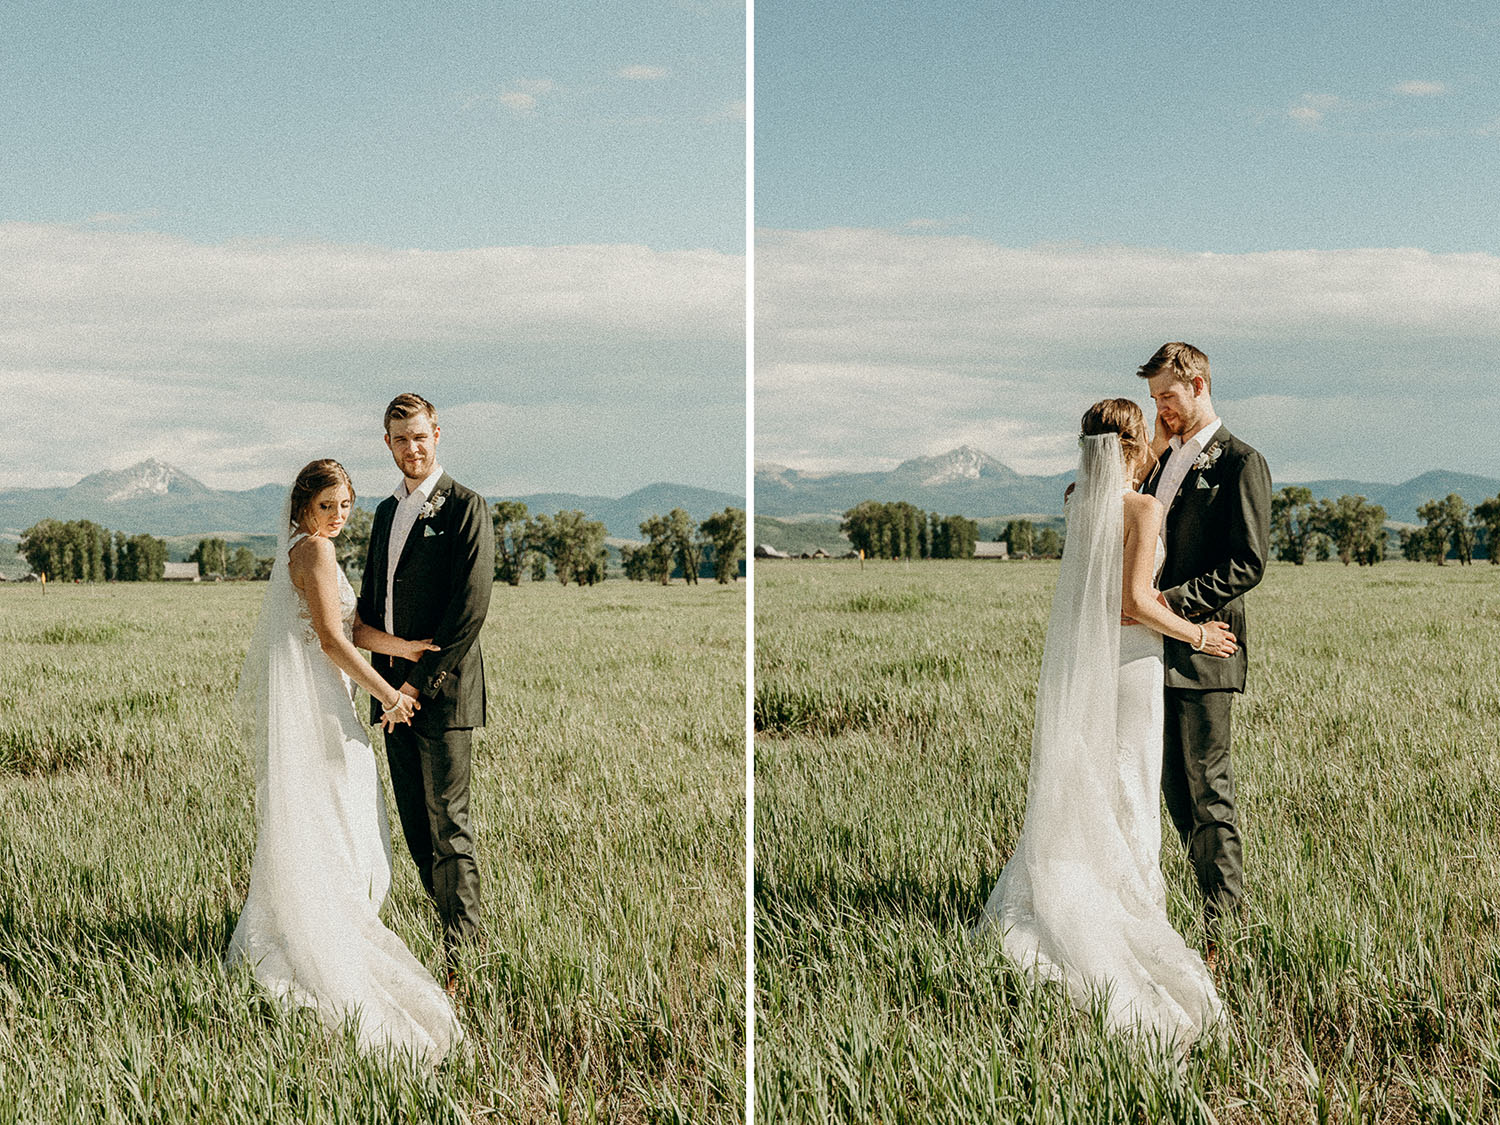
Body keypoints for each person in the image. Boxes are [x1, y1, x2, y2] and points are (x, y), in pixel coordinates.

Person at [976, 399, 1235, 1048]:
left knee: (1092, 780)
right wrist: (1199, 633)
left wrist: (1153, 442)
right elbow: (1135, 599)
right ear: (1134, 443)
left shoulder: (1077, 501)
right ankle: (1128, 910)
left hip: (1090, 662)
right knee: (1131, 785)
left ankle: (1076, 892)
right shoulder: (1143, 509)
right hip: (1134, 662)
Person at [226, 458, 461, 1066]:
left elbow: (352, 629)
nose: (337, 516)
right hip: (323, 707)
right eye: (327, 506)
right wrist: (390, 695)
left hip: (326, 699)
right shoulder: (316, 552)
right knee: (344, 816)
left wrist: (404, 648)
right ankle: (327, 932)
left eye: (345, 506)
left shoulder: (307, 550)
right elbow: (331, 640)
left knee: (332, 815)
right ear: (303, 507)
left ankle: (317, 917)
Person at [1137, 343, 1271, 965]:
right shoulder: (1164, 461)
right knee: (1172, 790)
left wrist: (1168, 603)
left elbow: (1248, 562)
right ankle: (1203, 906)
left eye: (1167, 395)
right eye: (1154, 398)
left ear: (1197, 385)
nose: (1160, 408)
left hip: (1206, 648)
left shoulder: (1241, 462)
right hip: (1150, 647)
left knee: (1209, 789)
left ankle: (1227, 931)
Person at [357, 394, 494, 997]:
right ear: (387, 443)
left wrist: (416, 685)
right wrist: (386, 689)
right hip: (391, 697)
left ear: (437, 434)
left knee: (450, 830)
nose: (411, 448)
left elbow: (470, 609)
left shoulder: (465, 506)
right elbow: (372, 602)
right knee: (416, 831)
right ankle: (449, 937)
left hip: (442, 694)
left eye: (419, 436)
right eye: (399, 439)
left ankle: (465, 963)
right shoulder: (386, 512)